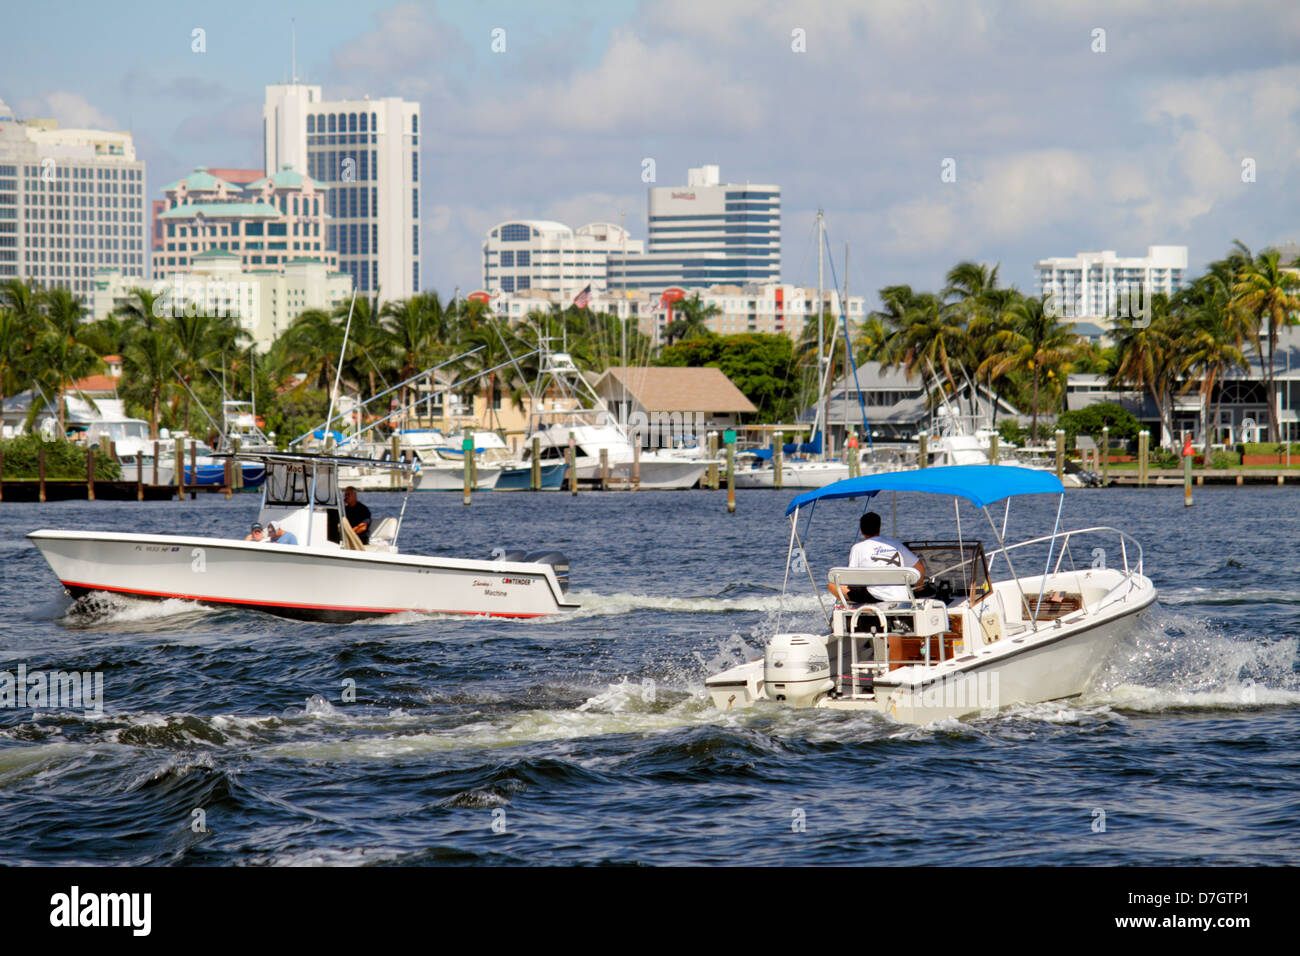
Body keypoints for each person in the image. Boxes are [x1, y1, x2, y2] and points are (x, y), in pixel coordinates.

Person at [830, 511, 926, 604]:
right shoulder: (896, 545)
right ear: (879, 528)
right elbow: (919, 567)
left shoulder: (858, 548)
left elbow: (851, 580)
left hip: (875, 598)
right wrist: (919, 588)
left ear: (862, 530)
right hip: (902, 596)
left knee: (832, 586)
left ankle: (855, 608)